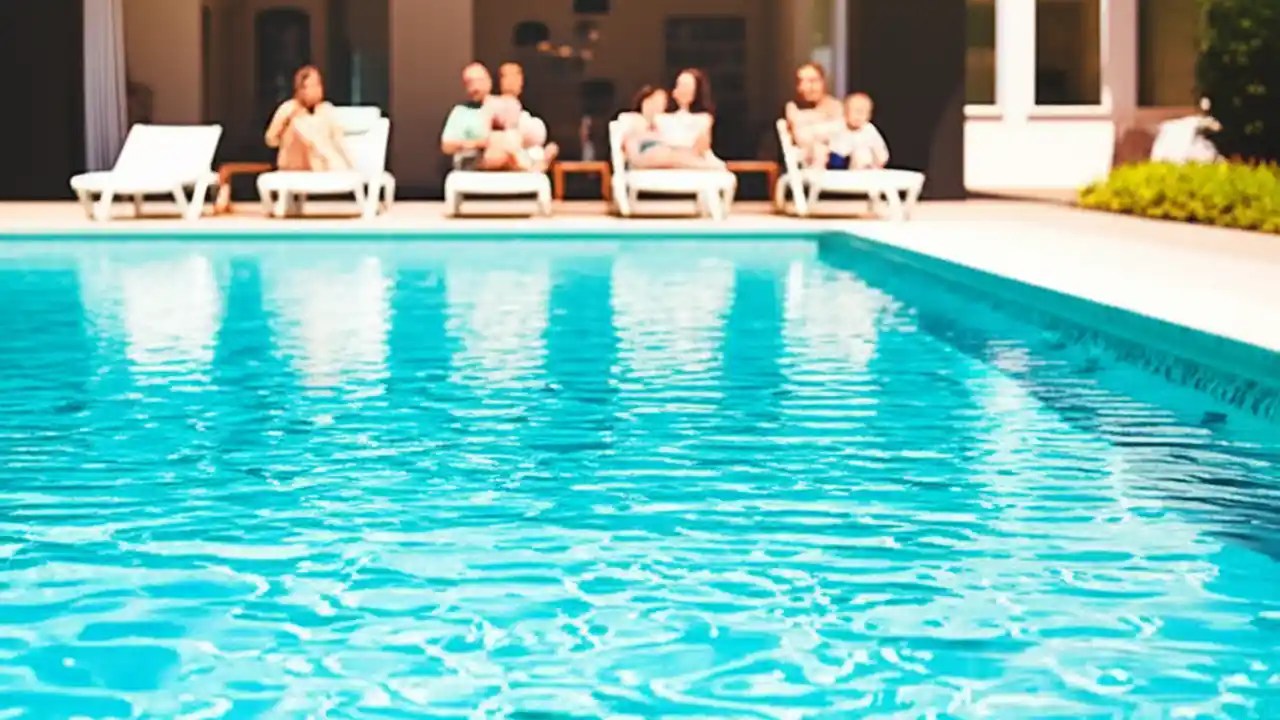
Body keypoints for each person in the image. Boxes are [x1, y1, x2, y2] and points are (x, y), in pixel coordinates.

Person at [440, 62, 530, 171]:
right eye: (469, 83)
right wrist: (476, 144)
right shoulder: (461, 112)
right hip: (473, 164)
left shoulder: (505, 106)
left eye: (479, 80)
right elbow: (447, 146)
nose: (475, 87)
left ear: (489, 81)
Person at [264, 65, 352, 171]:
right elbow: (270, 139)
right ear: (301, 89)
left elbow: (338, 140)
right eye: (313, 86)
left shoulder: (326, 110)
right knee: (298, 124)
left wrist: (349, 165)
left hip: (324, 167)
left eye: (319, 85)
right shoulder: (289, 108)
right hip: (293, 168)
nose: (318, 90)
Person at [623, 85, 721, 169]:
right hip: (644, 159)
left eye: (661, 103)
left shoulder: (664, 125)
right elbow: (633, 153)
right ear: (643, 102)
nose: (655, 106)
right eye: (652, 101)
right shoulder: (632, 120)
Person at [496, 61, 559, 167]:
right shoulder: (492, 109)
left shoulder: (529, 115)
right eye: (507, 76)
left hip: (531, 168)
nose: (512, 80)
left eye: (517, 76)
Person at [784, 62, 845, 168]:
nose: (806, 87)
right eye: (801, 82)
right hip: (807, 163)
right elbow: (801, 139)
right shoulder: (793, 108)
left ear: (823, 82)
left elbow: (842, 137)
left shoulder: (836, 106)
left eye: (812, 81)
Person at [658, 68, 715, 156]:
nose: (683, 90)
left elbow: (702, 147)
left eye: (688, 86)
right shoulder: (660, 119)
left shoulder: (704, 119)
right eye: (680, 85)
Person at [827, 93, 889, 170]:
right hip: (839, 162)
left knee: (862, 153)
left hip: (863, 169)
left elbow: (880, 150)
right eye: (855, 111)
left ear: (869, 115)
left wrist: (880, 162)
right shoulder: (839, 125)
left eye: (862, 112)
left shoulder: (869, 130)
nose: (858, 116)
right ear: (845, 112)